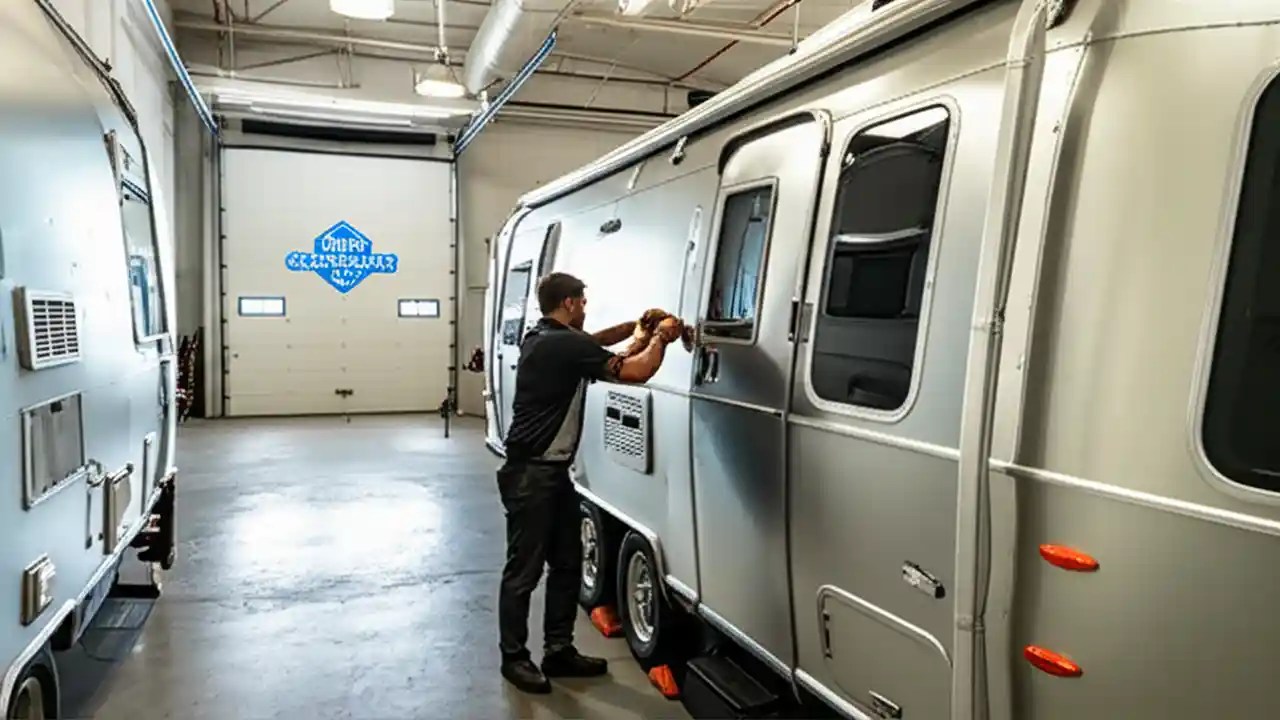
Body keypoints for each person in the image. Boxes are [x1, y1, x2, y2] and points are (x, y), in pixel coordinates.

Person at [497, 271, 683, 694]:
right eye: (581, 301)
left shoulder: (545, 338)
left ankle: (558, 650)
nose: (585, 307)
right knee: (523, 572)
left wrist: (638, 329)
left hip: (552, 473)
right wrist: (663, 337)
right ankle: (515, 658)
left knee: (567, 563)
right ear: (567, 305)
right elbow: (635, 371)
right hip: (531, 476)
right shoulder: (562, 344)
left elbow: (597, 344)